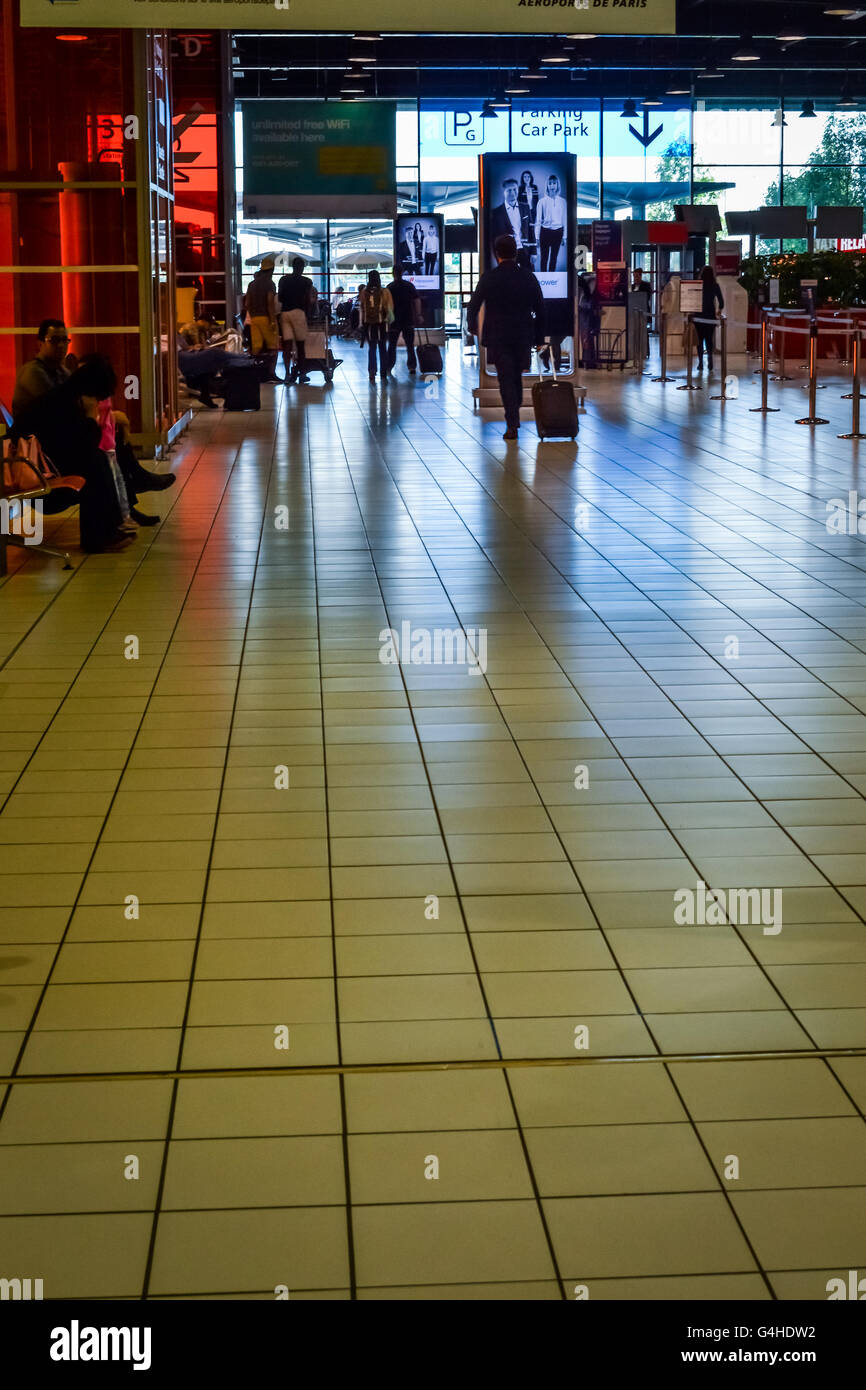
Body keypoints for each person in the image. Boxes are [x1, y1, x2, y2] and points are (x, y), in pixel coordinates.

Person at [13, 320, 174, 519]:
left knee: (109, 442)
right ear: (40, 344)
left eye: (65, 340)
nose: (61, 345)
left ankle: (129, 503)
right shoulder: (34, 373)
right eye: (54, 340)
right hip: (39, 455)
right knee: (99, 456)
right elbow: (58, 413)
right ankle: (125, 505)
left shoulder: (61, 371)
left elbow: (72, 411)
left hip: (53, 445)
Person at [14, 356, 137, 553]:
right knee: (95, 463)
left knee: (98, 460)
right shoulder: (65, 403)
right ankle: (100, 534)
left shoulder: (63, 396)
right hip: (29, 468)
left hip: (40, 460)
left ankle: (109, 528)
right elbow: (82, 444)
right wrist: (90, 418)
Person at [467, 233, 544, 441]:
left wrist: (472, 326)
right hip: (522, 335)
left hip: (498, 336)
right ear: (516, 254)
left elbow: (473, 305)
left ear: (496, 253)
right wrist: (539, 339)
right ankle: (514, 414)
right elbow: (540, 308)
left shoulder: (490, 277)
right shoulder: (528, 277)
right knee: (516, 376)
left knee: (506, 378)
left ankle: (512, 421)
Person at [277, 256, 318, 385]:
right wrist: (307, 313)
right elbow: (308, 300)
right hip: (299, 312)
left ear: (292, 266)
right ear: (302, 268)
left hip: (285, 313)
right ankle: (302, 374)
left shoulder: (283, 280)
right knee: (300, 346)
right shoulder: (307, 281)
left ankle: (287, 374)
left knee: (287, 346)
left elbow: (280, 298)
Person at [244, 255, 279, 381]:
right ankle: (271, 374)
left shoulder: (252, 284)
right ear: (272, 270)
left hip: (254, 319)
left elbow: (247, 304)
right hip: (266, 318)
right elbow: (270, 302)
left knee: (256, 348)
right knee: (273, 347)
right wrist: (273, 320)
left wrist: (253, 313)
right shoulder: (270, 283)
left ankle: (254, 374)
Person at [359, 270, 394, 382]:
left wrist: (361, 323)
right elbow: (390, 308)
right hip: (382, 324)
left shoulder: (364, 292)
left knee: (372, 348)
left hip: (369, 325)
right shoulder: (385, 291)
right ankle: (383, 373)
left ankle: (372, 373)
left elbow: (362, 308)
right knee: (382, 348)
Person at [386, 265, 420, 376]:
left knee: (392, 345)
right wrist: (418, 314)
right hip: (408, 319)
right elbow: (416, 300)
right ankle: (412, 367)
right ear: (402, 272)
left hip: (394, 321)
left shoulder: (390, 287)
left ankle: (389, 366)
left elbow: (387, 305)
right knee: (410, 345)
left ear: (393, 273)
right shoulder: (409, 286)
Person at [534, 173, 567, 273]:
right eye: (550, 183)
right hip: (545, 232)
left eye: (554, 183)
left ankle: (552, 279)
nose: (552, 186)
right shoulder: (542, 201)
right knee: (544, 258)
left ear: (557, 185)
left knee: (554, 258)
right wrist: (537, 237)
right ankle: (544, 280)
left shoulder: (562, 201)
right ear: (547, 186)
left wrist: (564, 236)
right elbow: (538, 220)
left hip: (558, 232)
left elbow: (564, 219)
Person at [697, 263, 724, 372]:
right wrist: (718, 311)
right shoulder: (715, 285)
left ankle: (700, 363)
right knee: (709, 340)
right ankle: (710, 362)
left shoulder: (698, 284)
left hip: (698, 315)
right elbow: (721, 302)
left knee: (699, 340)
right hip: (710, 315)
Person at [491, 178, 528, 247]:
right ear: (503, 192)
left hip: (525, 250)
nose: (512, 193)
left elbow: (531, 229)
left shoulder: (526, 207)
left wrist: (533, 252)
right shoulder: (495, 212)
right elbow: (494, 237)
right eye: (509, 190)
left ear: (518, 190)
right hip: (507, 252)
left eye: (514, 189)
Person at [578, 274, 602, 369]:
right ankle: (587, 361)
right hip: (586, 319)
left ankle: (587, 361)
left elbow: (586, 306)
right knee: (587, 340)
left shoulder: (585, 294)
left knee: (586, 341)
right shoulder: (587, 291)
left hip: (585, 319)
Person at [517, 171, 539, 259]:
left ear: (531, 178)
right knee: (525, 230)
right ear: (523, 178)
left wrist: (536, 211)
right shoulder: (520, 188)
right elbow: (518, 200)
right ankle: (525, 250)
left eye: (528, 177)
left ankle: (532, 251)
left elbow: (536, 200)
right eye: (525, 177)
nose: (526, 178)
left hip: (532, 211)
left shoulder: (534, 187)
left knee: (532, 230)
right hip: (524, 212)